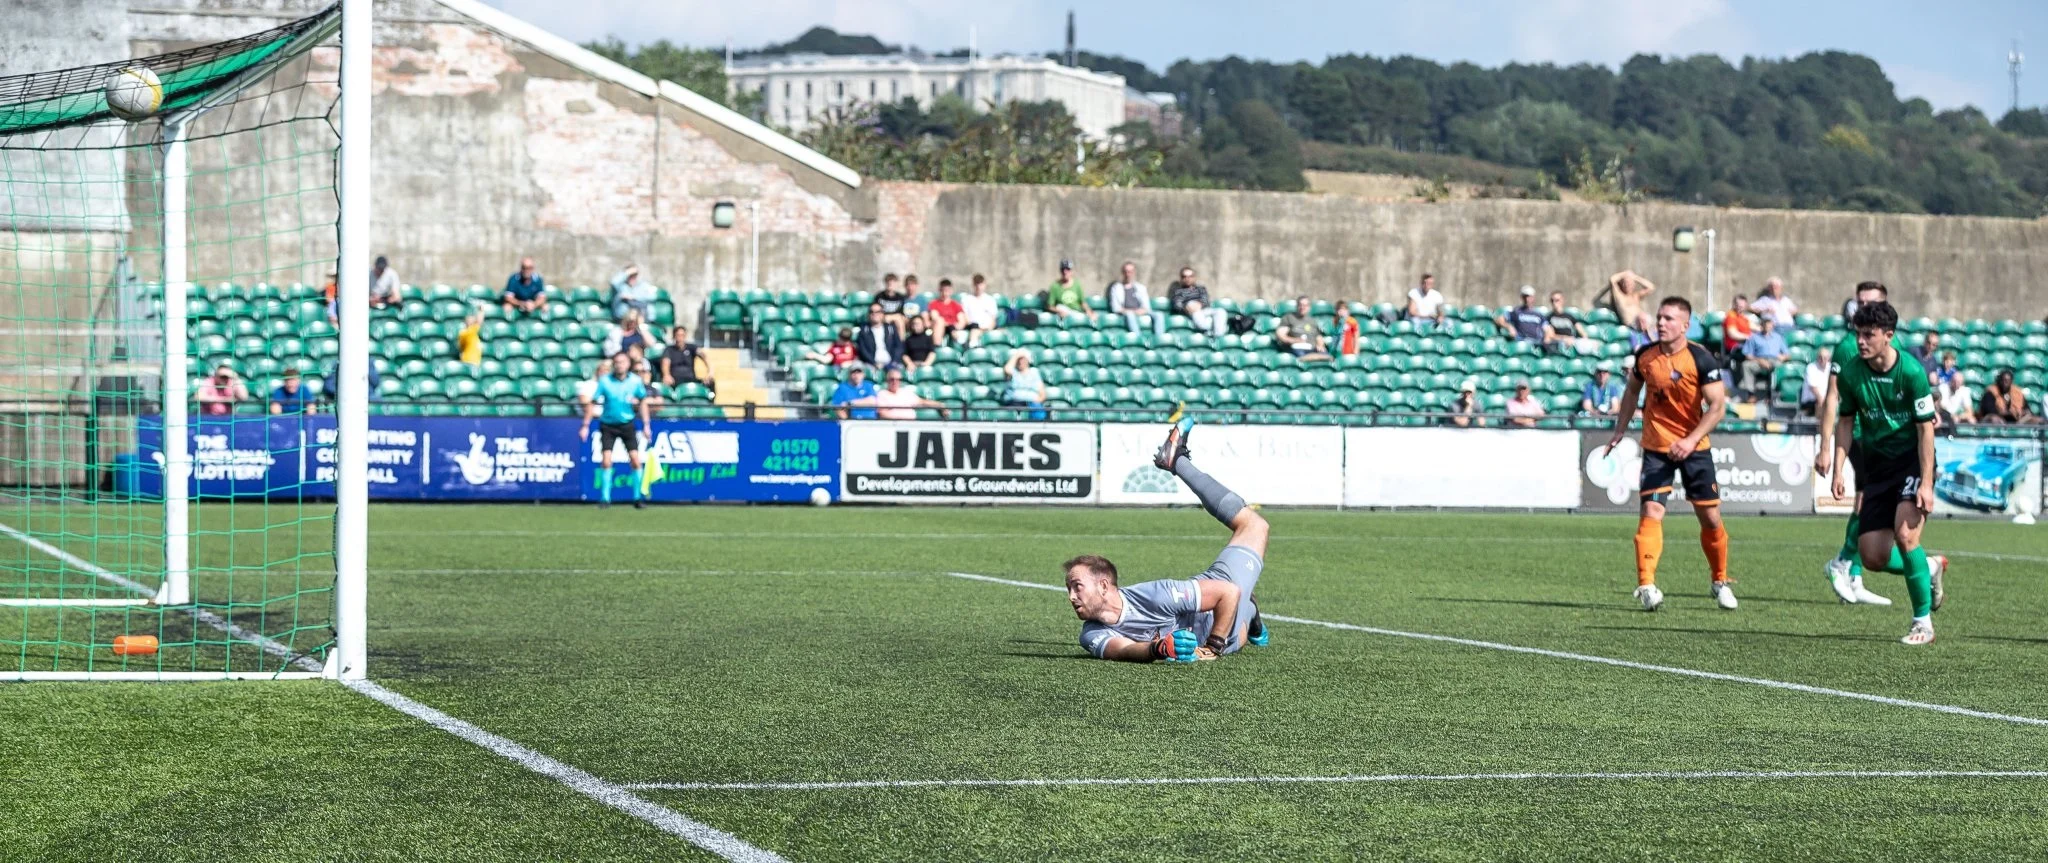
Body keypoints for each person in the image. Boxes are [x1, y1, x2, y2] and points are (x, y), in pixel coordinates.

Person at [1066, 411, 1270, 662]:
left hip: (1218, 611)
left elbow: (1227, 592)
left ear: (1104, 585)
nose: (1071, 597)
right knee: (1241, 630)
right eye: (1069, 589)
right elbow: (1122, 650)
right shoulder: (1091, 633)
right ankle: (1251, 611)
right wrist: (1159, 648)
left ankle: (1177, 462)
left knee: (1254, 525)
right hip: (1230, 630)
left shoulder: (1155, 595)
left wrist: (1211, 648)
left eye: (1077, 587)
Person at [1602, 296, 1734, 613]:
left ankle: (1720, 579)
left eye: (1669, 319)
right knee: (1651, 511)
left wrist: (1690, 440)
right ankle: (1646, 585)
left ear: (1686, 325)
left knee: (1710, 517)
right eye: (1659, 317)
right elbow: (1632, 391)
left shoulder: (1701, 360)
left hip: (1694, 448)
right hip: (1657, 447)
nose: (1661, 323)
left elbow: (1717, 408)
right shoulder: (1645, 356)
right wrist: (1620, 429)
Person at [1829, 301, 1946, 645]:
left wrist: (1926, 483)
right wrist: (1839, 469)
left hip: (1912, 461)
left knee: (1907, 536)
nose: (1861, 341)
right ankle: (1931, 567)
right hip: (1877, 465)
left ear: (1889, 336)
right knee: (1873, 557)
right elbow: (1846, 422)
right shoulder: (1851, 373)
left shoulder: (1910, 372)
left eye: (1869, 335)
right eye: (1857, 334)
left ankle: (1922, 622)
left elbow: (1926, 430)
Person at [1815, 281, 1923, 605]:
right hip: (1861, 433)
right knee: (1864, 500)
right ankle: (1846, 560)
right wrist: (1825, 447)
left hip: (1884, 436)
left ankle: (1856, 571)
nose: (1860, 306)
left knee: (1867, 507)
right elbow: (1834, 396)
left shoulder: (1893, 343)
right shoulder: (1850, 345)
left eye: (1868, 301)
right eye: (1858, 300)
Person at [579, 352, 652, 510]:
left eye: (623, 362)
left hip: (627, 424)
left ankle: (637, 497)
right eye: (617, 362)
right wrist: (585, 425)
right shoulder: (605, 381)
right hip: (608, 425)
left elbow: (643, 401)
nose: (620, 365)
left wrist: (646, 424)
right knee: (606, 460)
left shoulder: (635, 381)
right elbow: (592, 402)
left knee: (635, 460)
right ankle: (605, 498)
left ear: (628, 364)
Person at [845, 367, 949, 420]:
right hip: (892, 428)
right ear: (887, 381)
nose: (895, 382)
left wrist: (939, 405)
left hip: (912, 426)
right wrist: (901, 419)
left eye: (897, 379)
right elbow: (882, 413)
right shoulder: (882, 394)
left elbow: (922, 402)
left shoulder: (906, 393)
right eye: (892, 379)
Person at [1107, 261, 1163, 336]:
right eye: (1125, 272)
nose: (1128, 274)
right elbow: (1116, 308)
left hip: (1140, 311)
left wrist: (1141, 311)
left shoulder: (1141, 288)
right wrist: (1132, 311)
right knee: (1130, 315)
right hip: (1126, 313)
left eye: (1130, 272)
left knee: (1159, 315)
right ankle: (1138, 338)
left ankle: (1158, 338)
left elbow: (1147, 307)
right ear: (1122, 273)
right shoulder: (1116, 288)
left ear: (1134, 272)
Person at [1169, 267, 1226, 337]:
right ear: (1181, 278)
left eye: (1190, 276)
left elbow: (1206, 300)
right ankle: (1211, 331)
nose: (1187, 279)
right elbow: (1177, 305)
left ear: (1194, 278)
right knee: (1191, 304)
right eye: (1184, 276)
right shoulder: (1178, 291)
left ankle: (1218, 336)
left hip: (1204, 310)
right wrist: (1186, 307)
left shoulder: (1201, 289)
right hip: (1191, 312)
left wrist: (1200, 305)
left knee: (1220, 311)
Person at [1739, 317, 1788, 399]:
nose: (1768, 328)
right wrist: (1759, 360)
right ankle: (1751, 394)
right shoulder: (1753, 337)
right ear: (1761, 326)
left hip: (1774, 360)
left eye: (1770, 326)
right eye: (1766, 326)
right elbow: (1748, 355)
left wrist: (1783, 357)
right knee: (1746, 365)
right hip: (1759, 360)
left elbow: (1787, 354)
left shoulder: (1778, 337)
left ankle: (1772, 395)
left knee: (1780, 367)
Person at [658, 325, 713, 394]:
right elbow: (665, 362)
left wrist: (710, 372)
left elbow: (704, 356)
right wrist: (666, 375)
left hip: (691, 379)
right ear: (674, 336)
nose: (680, 338)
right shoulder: (669, 349)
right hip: (675, 380)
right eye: (678, 335)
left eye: (682, 335)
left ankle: (709, 403)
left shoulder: (691, 347)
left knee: (710, 382)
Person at [1001, 349, 1047, 420]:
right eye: (1019, 359)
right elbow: (1007, 369)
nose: (1020, 362)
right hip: (1014, 403)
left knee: (1038, 410)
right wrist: (1016, 355)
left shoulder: (1034, 372)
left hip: (1031, 403)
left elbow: (1042, 393)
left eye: (1023, 359)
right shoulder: (1013, 372)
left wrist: (1036, 401)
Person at [855, 305, 902, 370]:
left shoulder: (890, 328)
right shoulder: (864, 330)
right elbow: (863, 350)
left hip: (891, 362)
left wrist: (893, 362)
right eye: (871, 312)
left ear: (882, 314)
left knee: (899, 372)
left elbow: (898, 346)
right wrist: (874, 363)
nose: (874, 314)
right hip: (871, 363)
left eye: (878, 312)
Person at [924, 278, 967, 344]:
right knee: (939, 321)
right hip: (940, 327)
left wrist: (952, 327)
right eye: (942, 290)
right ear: (939, 290)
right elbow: (935, 317)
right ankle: (937, 345)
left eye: (947, 290)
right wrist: (949, 325)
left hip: (953, 329)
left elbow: (962, 322)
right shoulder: (933, 304)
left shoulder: (956, 305)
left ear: (951, 291)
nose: (944, 293)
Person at [960, 274, 1000, 344]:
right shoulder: (966, 299)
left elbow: (993, 320)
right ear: (973, 285)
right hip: (973, 328)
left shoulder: (990, 300)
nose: (978, 287)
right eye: (976, 284)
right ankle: (972, 345)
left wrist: (987, 329)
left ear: (985, 284)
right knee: (974, 331)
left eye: (980, 284)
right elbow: (965, 318)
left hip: (987, 329)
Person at [1799, 346, 1832, 416]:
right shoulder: (1811, 368)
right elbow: (1813, 388)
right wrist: (1824, 401)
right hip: (1811, 401)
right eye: (1820, 357)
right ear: (1817, 357)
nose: (1822, 360)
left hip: (1825, 400)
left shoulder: (1831, 368)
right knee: (1821, 403)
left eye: (1825, 358)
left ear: (1829, 358)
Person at [1721, 295, 1755, 359]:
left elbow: (1754, 326)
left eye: (1742, 305)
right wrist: (1749, 337)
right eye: (1738, 304)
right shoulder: (1731, 316)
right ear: (1734, 304)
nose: (1740, 307)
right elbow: (1733, 334)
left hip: (1747, 344)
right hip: (1736, 347)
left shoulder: (1742, 317)